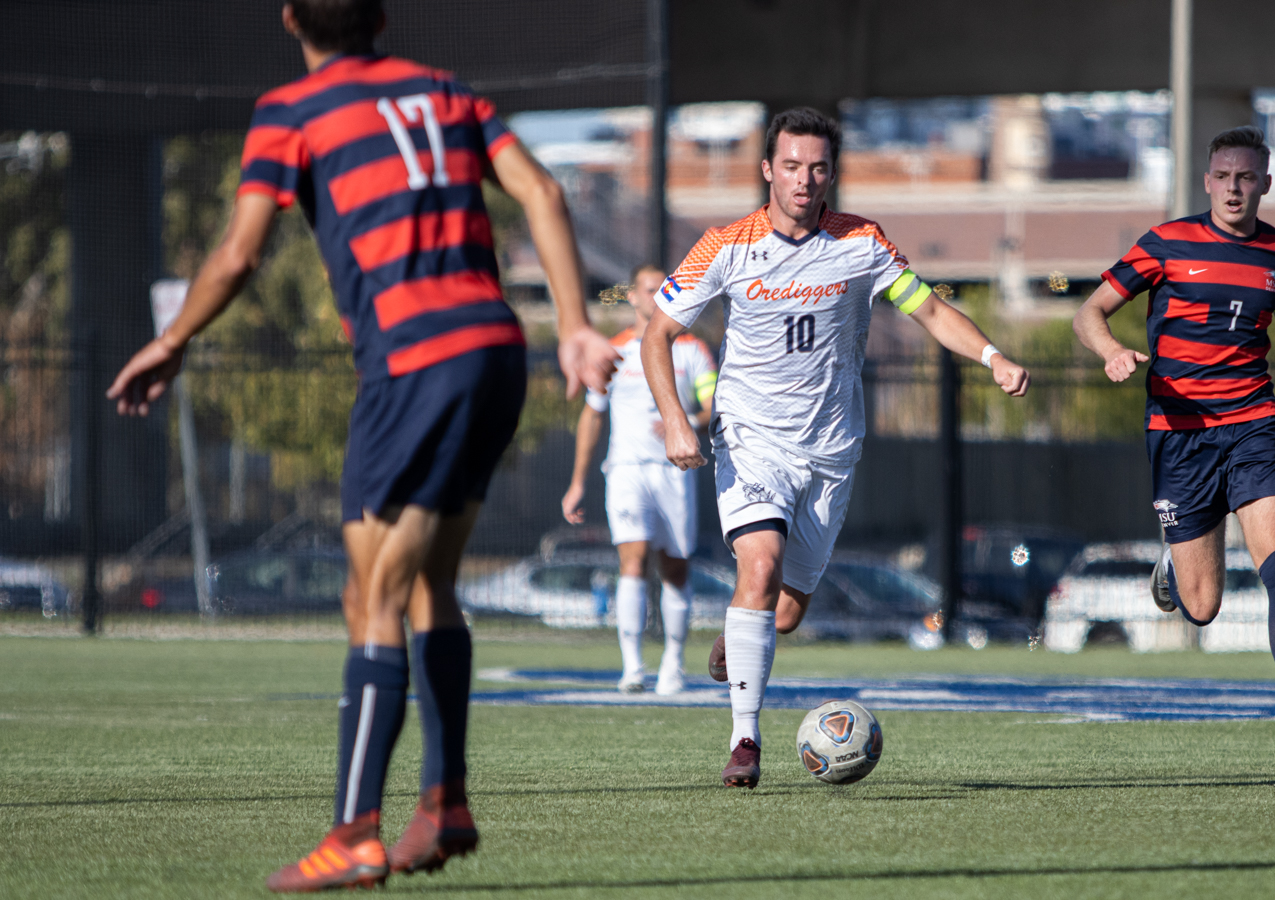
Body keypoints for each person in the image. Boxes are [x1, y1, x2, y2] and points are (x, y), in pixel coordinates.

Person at [105, 0, 619, 890]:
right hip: (494, 348)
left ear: (289, 16)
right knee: (426, 586)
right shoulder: (445, 91)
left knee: (369, 595)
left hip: (414, 363)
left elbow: (236, 258)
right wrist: (572, 324)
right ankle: (445, 801)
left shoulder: (290, 113)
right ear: (382, 16)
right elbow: (542, 190)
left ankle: (352, 834)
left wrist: (171, 340)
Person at [641, 107, 1031, 788]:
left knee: (785, 611)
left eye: (818, 167)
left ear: (831, 173)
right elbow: (655, 335)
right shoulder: (725, 245)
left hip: (830, 451)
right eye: (791, 165)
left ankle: (739, 634)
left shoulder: (862, 242)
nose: (804, 178)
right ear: (768, 169)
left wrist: (993, 356)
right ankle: (744, 741)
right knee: (759, 569)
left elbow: (932, 310)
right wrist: (676, 417)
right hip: (750, 440)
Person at [1072, 125, 1275, 778]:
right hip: (1179, 437)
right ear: (1206, 180)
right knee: (1202, 607)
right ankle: (1175, 564)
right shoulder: (1166, 244)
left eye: (1246, 177)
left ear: (1265, 184)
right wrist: (1111, 352)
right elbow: (1088, 311)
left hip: (1254, 426)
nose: (1233, 188)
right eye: (1223, 176)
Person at [563, 263, 718, 696]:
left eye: (665, 289)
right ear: (631, 296)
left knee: (675, 566)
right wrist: (577, 483)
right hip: (627, 470)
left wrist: (683, 420)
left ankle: (673, 661)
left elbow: (712, 405)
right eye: (650, 289)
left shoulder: (691, 349)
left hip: (676, 471)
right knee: (631, 561)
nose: (657, 297)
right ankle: (632, 667)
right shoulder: (611, 351)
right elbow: (592, 416)